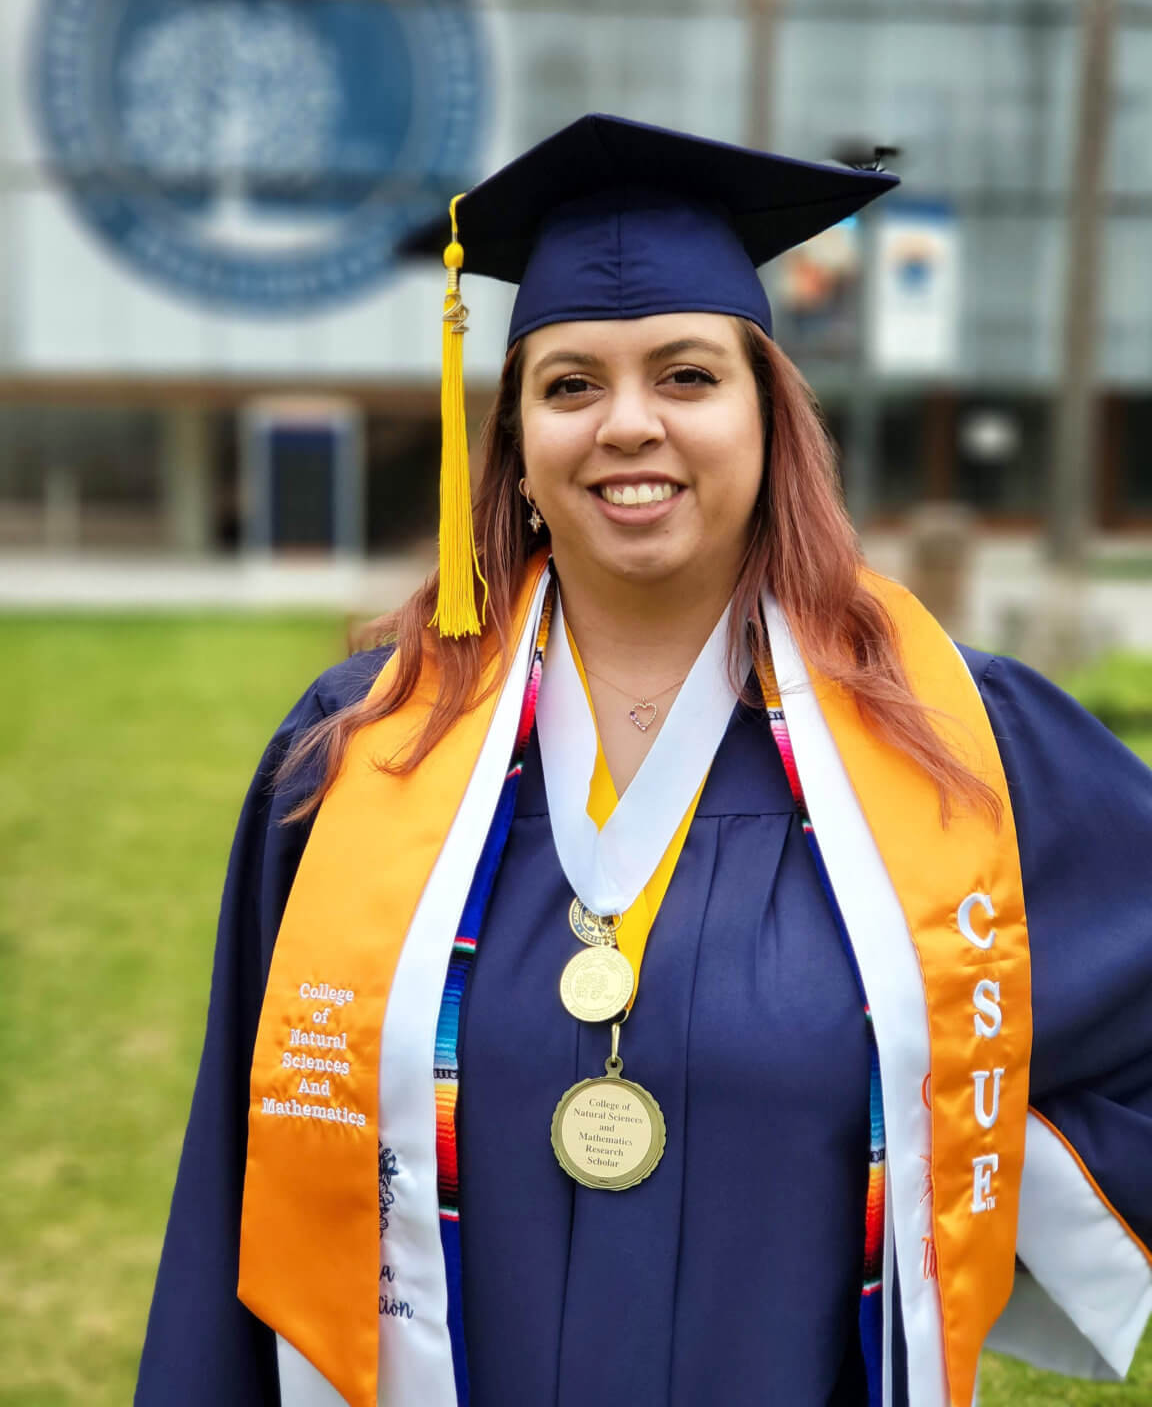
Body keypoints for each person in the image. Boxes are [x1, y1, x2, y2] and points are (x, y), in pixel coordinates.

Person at [137, 116, 1152, 1407]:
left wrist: (976, 1152)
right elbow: (249, 1176)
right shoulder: (358, 756)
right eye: (570, 385)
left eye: (686, 376)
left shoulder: (943, 739)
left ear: (769, 418)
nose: (628, 426)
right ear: (511, 449)